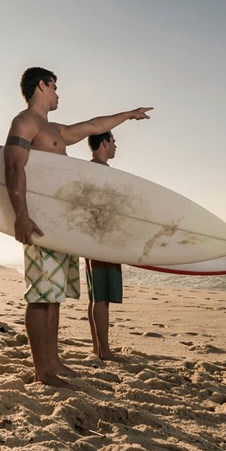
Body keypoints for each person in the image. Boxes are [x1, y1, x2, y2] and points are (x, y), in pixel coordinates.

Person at [4, 67, 151, 388]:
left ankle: (53, 360)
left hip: (58, 227)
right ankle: (42, 370)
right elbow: (13, 167)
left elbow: (94, 125)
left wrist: (128, 114)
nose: (58, 94)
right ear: (41, 85)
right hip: (38, 221)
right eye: (55, 87)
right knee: (41, 296)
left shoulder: (52, 128)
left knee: (54, 295)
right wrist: (21, 215)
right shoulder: (25, 122)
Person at [85, 131, 123, 361]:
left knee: (97, 296)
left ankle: (97, 348)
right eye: (114, 141)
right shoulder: (98, 171)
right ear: (104, 143)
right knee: (101, 297)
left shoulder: (92, 170)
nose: (116, 146)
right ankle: (104, 351)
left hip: (95, 241)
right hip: (102, 241)